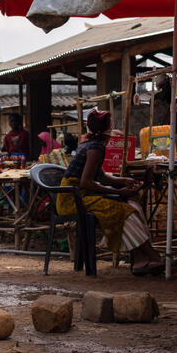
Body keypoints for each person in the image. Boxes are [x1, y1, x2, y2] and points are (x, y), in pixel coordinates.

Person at [56, 110, 164, 276]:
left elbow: (99, 176)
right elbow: (86, 182)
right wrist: (118, 190)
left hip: (80, 194)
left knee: (129, 204)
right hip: (73, 198)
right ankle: (152, 256)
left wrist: (122, 181)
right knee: (122, 209)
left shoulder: (90, 143)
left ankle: (141, 258)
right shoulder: (96, 147)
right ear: (109, 128)